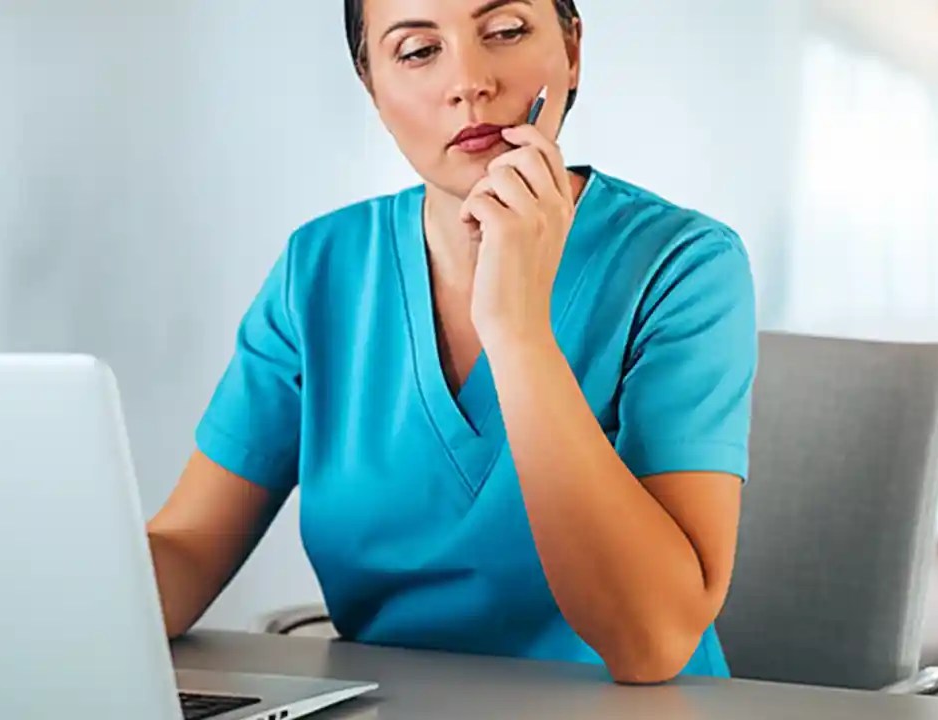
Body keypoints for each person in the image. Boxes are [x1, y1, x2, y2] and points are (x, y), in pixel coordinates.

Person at [147, 0, 757, 684]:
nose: (469, 81)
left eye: (504, 32)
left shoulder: (683, 264)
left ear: (572, 51)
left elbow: (652, 641)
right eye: (416, 51)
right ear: (371, 84)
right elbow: (188, 545)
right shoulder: (320, 266)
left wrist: (517, 328)